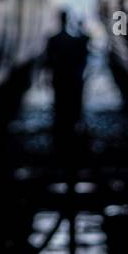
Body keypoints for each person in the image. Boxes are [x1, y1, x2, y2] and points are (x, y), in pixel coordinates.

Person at [45, 9, 89, 167]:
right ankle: (71, 136)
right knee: (71, 107)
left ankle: (61, 137)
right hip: (72, 79)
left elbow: (48, 61)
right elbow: (82, 56)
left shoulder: (53, 39)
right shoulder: (74, 40)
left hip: (59, 78)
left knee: (59, 106)